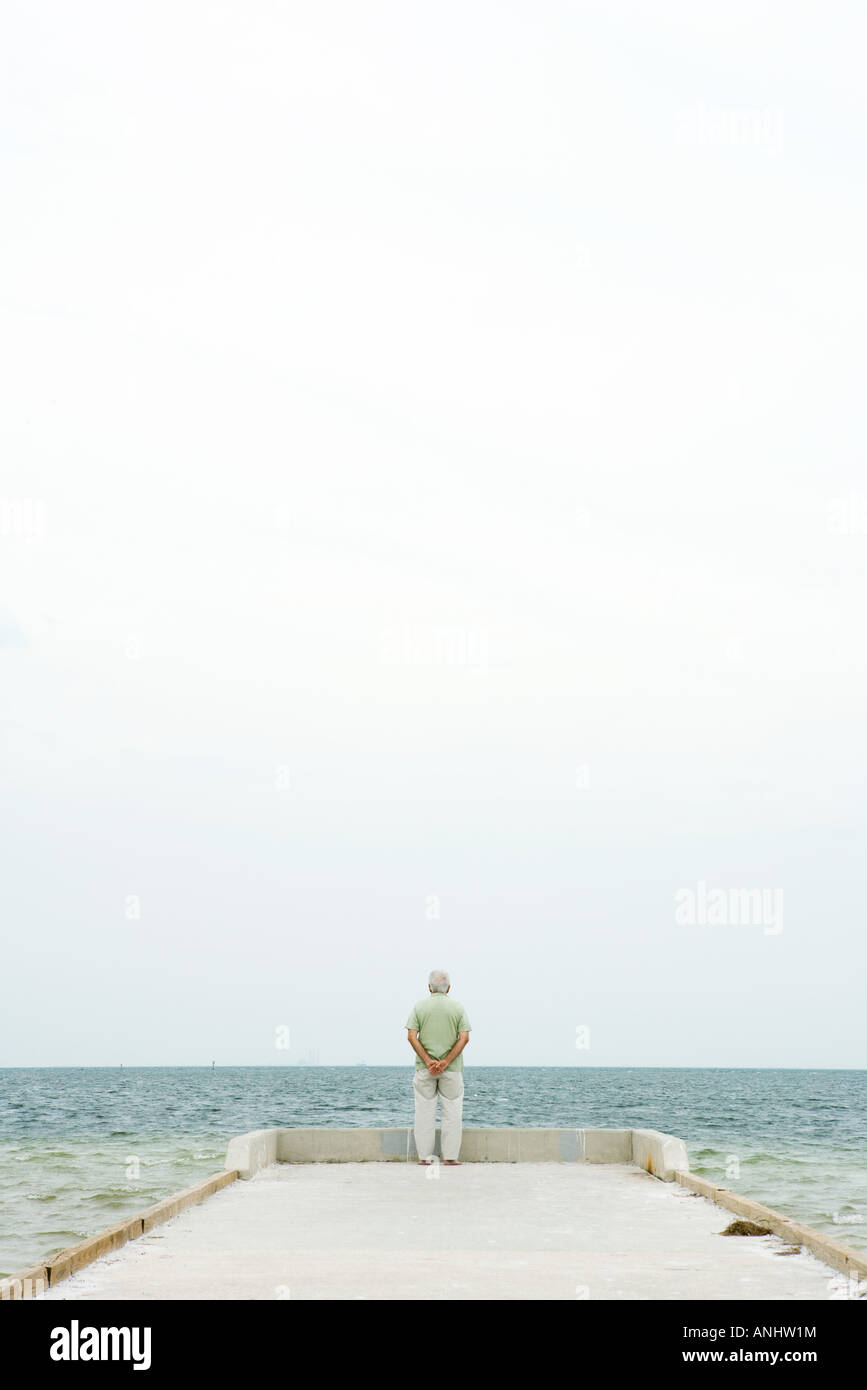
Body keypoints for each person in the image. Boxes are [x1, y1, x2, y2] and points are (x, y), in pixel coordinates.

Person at [405, 970, 471, 1165]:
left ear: (429, 987)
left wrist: (428, 1060)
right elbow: (464, 1038)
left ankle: (425, 1158)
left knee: (424, 1111)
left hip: (425, 1069)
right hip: (451, 1069)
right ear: (449, 988)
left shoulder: (419, 1007)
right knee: (452, 1111)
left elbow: (411, 1036)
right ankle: (450, 1157)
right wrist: (446, 1062)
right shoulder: (458, 1008)